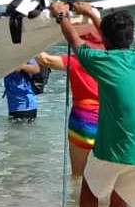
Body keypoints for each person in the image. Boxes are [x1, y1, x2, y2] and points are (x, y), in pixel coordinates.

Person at [49, 0, 135, 207]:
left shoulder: (99, 60)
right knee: (120, 198)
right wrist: (91, 13)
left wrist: (61, 15)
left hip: (117, 146)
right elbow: (113, 42)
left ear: (105, 41)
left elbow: (73, 39)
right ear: (130, 37)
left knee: (88, 192)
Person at [39, 31, 104, 178]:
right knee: (104, 175)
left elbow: (45, 60)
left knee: (78, 174)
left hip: (83, 118)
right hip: (108, 117)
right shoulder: (110, 61)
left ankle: (75, 200)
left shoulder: (76, 60)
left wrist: (26, 42)